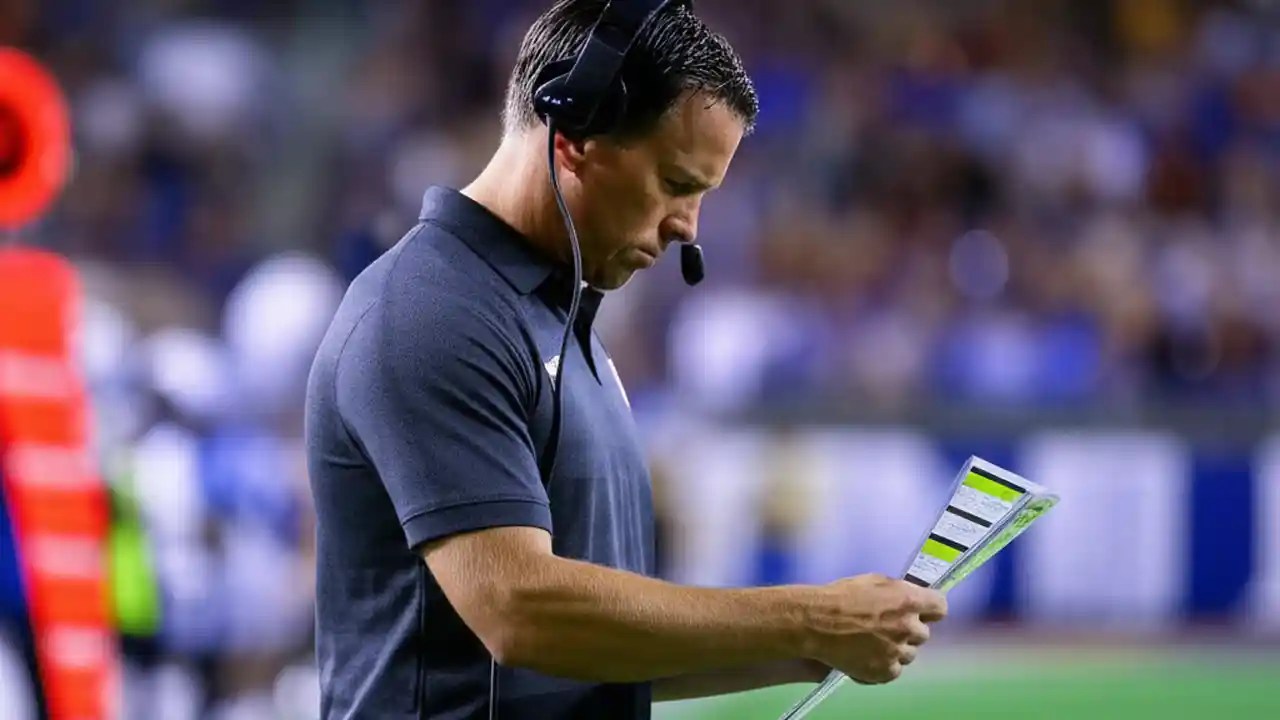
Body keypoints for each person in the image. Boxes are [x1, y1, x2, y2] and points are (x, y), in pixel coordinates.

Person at [304, 1, 948, 718]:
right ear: (577, 136)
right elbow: (518, 611)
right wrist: (810, 618)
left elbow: (597, 655)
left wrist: (824, 647)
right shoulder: (429, 313)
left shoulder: (556, 324)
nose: (688, 228)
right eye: (676, 183)